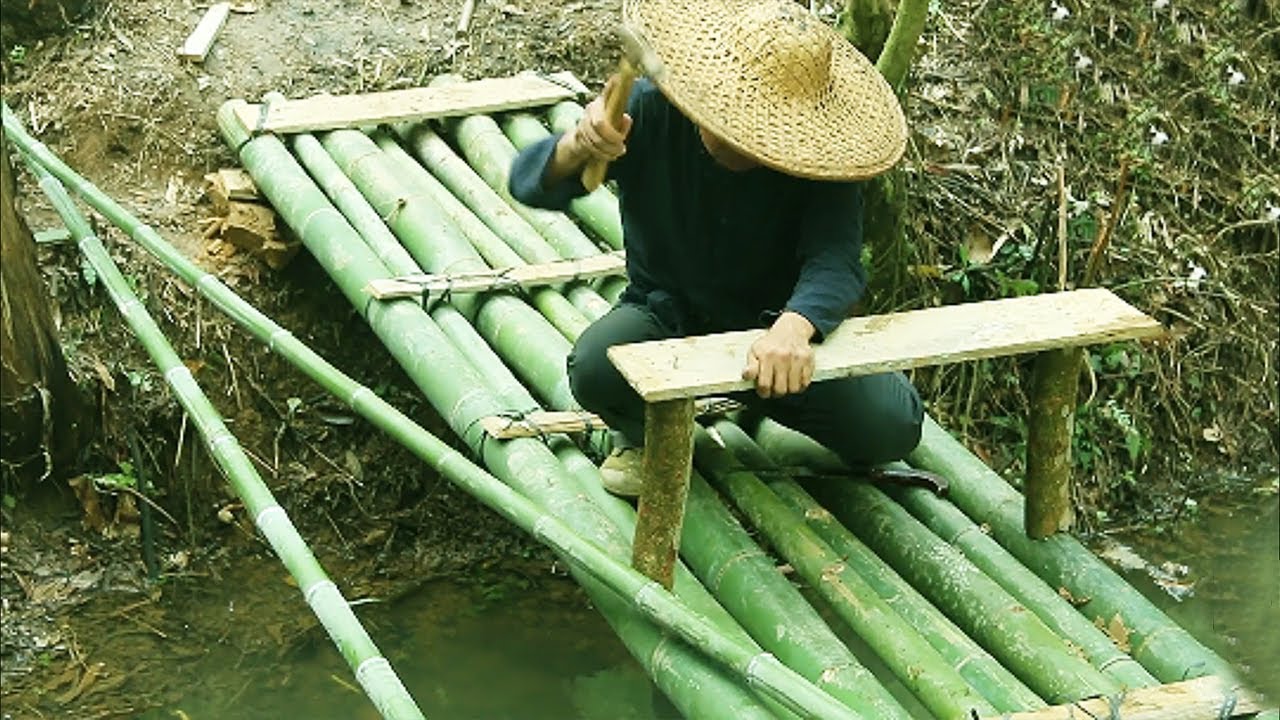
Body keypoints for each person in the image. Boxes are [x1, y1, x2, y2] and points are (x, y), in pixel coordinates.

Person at [509, 0, 923, 495]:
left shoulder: (817, 155)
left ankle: (773, 407)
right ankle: (647, 434)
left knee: (890, 425)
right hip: (668, 317)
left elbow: (835, 262)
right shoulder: (648, 110)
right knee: (597, 368)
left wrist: (793, 329)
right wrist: (577, 145)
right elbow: (528, 183)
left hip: (775, 336)